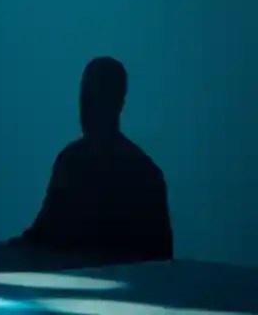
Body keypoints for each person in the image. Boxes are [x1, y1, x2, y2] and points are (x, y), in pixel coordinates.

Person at [14, 56, 173, 261]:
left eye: (93, 97)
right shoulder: (146, 173)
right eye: (86, 97)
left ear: (116, 102)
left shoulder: (72, 162)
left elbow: (42, 236)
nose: (86, 107)